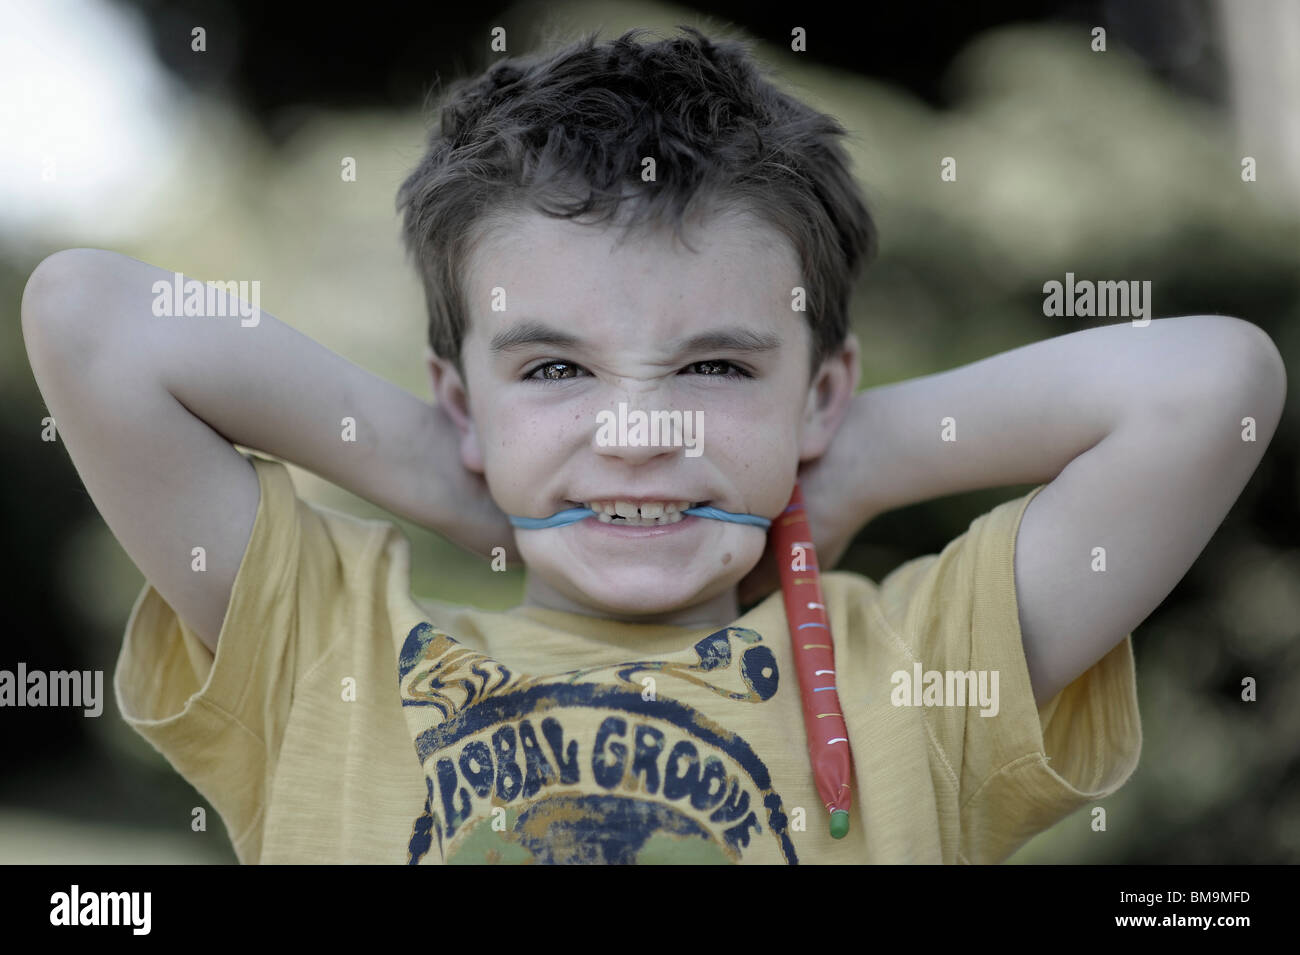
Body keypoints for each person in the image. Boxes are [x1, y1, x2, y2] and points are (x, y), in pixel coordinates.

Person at [19, 27, 1285, 864]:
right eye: (556, 368)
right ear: (461, 401)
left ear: (821, 388)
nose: (636, 434)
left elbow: (1211, 381)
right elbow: (88, 315)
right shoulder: (324, 639)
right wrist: (460, 483)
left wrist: (827, 459)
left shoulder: (921, 670)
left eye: (717, 367)